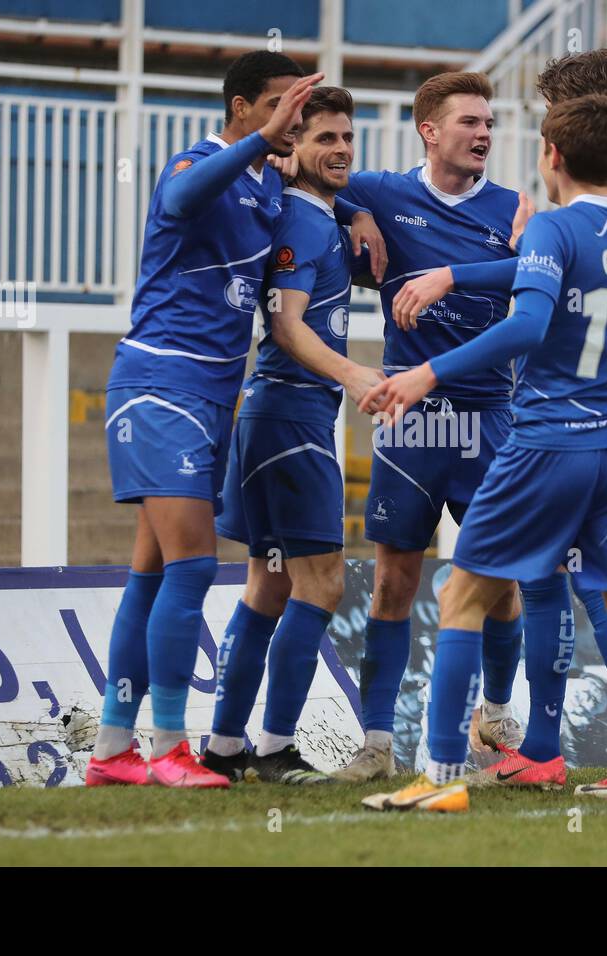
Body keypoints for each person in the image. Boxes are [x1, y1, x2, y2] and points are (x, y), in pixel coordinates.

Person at [359, 94, 607, 818]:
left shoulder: (553, 227)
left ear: (552, 156)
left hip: (549, 443)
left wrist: (424, 373)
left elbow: (529, 323)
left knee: (459, 597)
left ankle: (439, 774)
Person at [85, 53, 341, 789]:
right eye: (276, 106)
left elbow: (306, 228)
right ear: (239, 109)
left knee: (151, 574)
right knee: (195, 565)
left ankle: (111, 749)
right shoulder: (198, 162)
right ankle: (168, 747)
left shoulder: (268, 187)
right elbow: (185, 197)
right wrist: (263, 142)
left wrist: (355, 219)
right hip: (160, 385)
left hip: (211, 397)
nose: (289, 121)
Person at [329, 72, 528, 783]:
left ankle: (498, 717)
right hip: (410, 425)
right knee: (393, 582)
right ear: (429, 130)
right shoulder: (382, 192)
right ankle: (377, 742)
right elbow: (306, 170)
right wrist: (352, 215)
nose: (484, 134)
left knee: (499, 583)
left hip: (487, 418)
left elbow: (534, 276)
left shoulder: (513, 208)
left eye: (489, 123)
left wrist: (459, 271)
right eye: (469, 122)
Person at [200, 87, 385, 785]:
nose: (340, 151)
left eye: (346, 138)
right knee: (324, 584)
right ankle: (275, 748)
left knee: (269, 584)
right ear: (290, 146)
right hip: (295, 416)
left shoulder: (309, 212)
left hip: (271, 415)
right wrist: (355, 376)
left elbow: (342, 187)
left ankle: (224, 748)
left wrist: (360, 205)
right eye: (324, 139)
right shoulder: (304, 226)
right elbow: (285, 326)